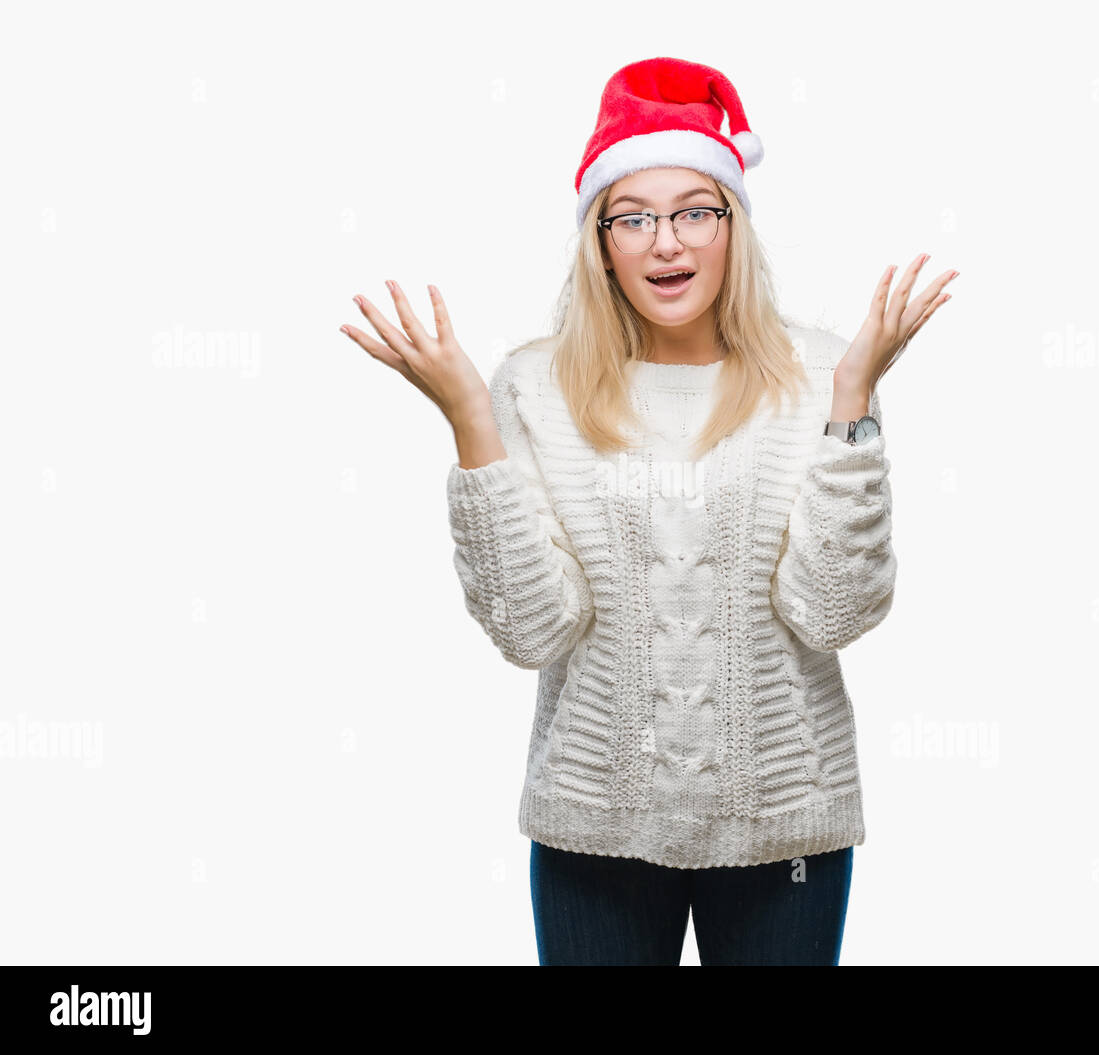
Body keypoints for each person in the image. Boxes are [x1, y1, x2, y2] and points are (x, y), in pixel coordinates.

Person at [340, 56, 957, 965]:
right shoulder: (535, 386)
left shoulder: (824, 375)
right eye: (633, 218)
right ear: (601, 242)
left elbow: (833, 611)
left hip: (785, 827)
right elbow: (534, 632)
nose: (667, 242)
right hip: (595, 827)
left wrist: (854, 396)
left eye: (694, 211)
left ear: (733, 226)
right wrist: (470, 414)